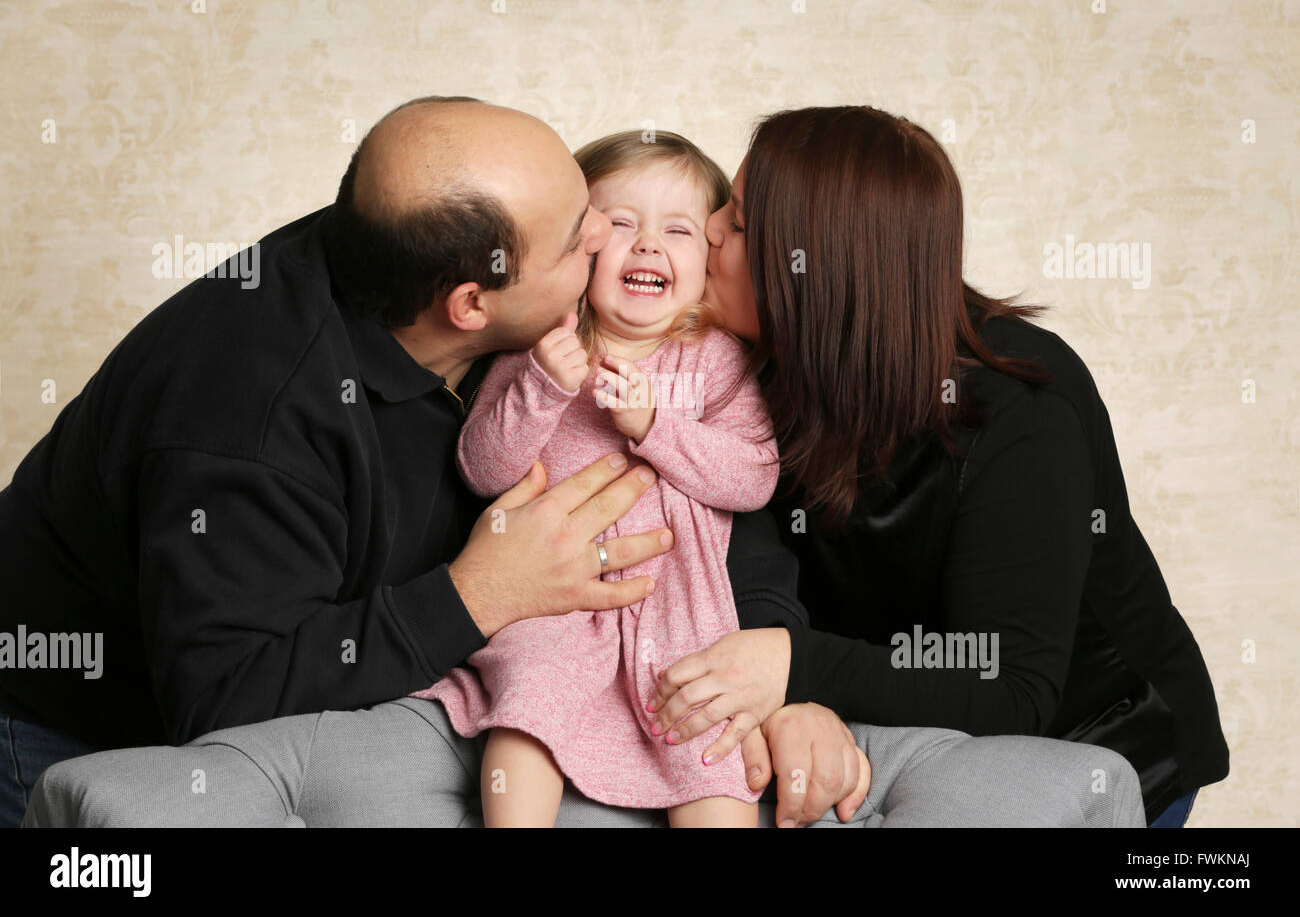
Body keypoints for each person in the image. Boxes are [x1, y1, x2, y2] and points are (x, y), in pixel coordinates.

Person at [11, 96, 1145, 829]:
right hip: (91, 722)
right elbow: (221, 698)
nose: (631, 247)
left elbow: (739, 529)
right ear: (473, 296)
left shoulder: (705, 349)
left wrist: (794, 674)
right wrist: (478, 595)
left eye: (721, 226)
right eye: (586, 233)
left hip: (1053, 738)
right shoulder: (257, 415)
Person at [645, 105, 1230, 827]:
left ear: (813, 266)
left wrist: (796, 667)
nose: (706, 229)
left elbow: (1010, 685)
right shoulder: (748, 369)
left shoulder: (1023, 405)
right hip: (895, 723)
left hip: (1094, 739)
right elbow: (749, 555)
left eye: (736, 223)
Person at [416, 130, 778, 826]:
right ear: (581, 245)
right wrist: (545, 390)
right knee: (528, 701)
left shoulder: (715, 361)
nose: (647, 245)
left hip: (681, 619)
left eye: (676, 230)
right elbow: (482, 467)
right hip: (554, 605)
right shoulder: (542, 349)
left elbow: (754, 476)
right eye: (620, 225)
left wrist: (656, 427)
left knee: (708, 745)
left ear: (708, 260)